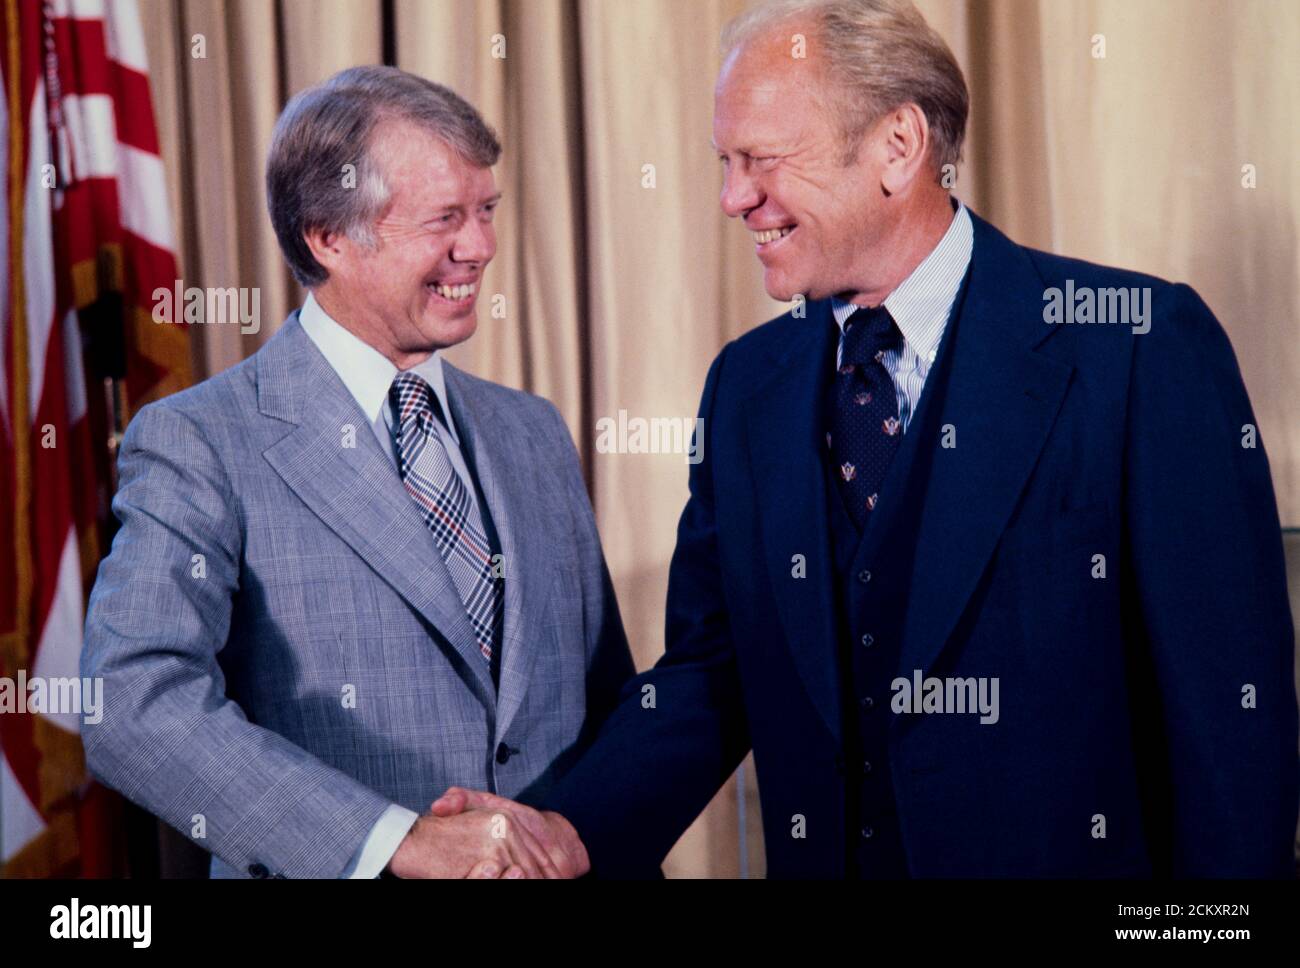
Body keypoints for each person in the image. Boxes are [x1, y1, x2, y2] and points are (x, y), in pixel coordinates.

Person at [436, 0, 1297, 878]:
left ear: (898, 145)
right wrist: (572, 831)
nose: (734, 199)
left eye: (761, 162)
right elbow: (714, 670)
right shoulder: (746, 390)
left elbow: (1230, 721)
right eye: (724, 165)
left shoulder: (1138, 347)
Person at [81, 66, 627, 879]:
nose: (477, 247)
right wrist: (397, 842)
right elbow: (129, 703)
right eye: (444, 218)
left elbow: (607, 703)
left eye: (485, 211)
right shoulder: (201, 441)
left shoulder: (533, 432)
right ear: (327, 237)